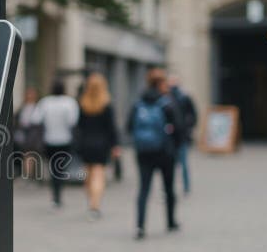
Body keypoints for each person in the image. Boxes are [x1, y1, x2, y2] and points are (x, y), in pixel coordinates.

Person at [127, 68, 182, 240]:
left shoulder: (138, 103)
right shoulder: (167, 103)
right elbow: (178, 128)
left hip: (143, 152)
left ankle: (140, 226)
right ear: (160, 83)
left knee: (144, 189)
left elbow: (128, 127)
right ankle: (171, 221)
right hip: (165, 152)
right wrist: (175, 146)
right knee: (168, 188)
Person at [75, 73, 120, 220]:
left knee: (88, 176)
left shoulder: (83, 104)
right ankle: (95, 206)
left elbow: (79, 127)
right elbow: (112, 128)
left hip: (86, 143)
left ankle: (91, 202)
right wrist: (115, 146)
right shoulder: (107, 105)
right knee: (98, 175)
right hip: (101, 144)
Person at [33, 81, 79, 207]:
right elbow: (73, 121)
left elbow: (35, 119)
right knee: (61, 168)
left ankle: (56, 194)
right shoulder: (69, 102)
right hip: (65, 140)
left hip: (49, 141)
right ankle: (58, 194)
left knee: (53, 168)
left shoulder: (45, 102)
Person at [168, 76, 197, 194]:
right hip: (172, 136)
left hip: (180, 135)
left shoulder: (184, 98)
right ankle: (171, 187)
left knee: (182, 163)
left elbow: (193, 115)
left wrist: (188, 126)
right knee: (172, 164)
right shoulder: (166, 98)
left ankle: (185, 186)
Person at [14, 87, 42, 180]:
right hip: (23, 135)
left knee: (29, 154)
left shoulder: (37, 107)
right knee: (26, 155)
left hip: (33, 135)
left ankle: (28, 174)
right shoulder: (23, 107)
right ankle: (27, 174)